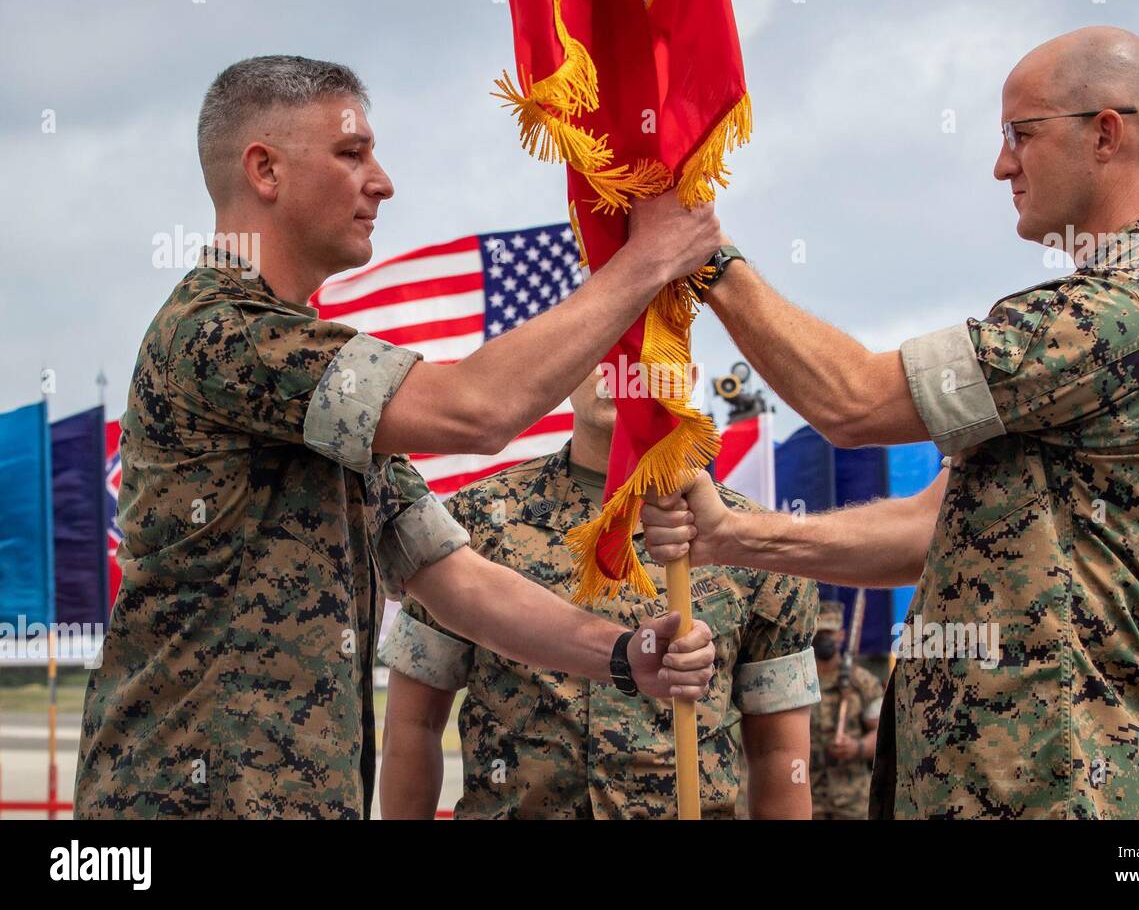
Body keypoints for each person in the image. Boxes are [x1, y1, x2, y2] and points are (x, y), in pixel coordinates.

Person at [76, 55, 724, 819]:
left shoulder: (305, 372)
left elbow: (451, 577)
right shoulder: (218, 334)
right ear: (265, 170)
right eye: (352, 154)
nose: (381, 181)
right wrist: (644, 262)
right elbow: (476, 411)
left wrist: (621, 654)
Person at [641, 27, 1139, 818]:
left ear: (1106, 133)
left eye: (1020, 134)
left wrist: (701, 255)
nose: (1002, 164)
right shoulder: (1102, 324)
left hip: (1052, 794)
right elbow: (931, 533)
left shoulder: (1123, 316)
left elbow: (852, 401)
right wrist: (733, 538)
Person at [378, 367, 820, 819]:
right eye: (603, 350)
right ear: (569, 369)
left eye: (643, 349)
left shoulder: (752, 546)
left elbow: (780, 755)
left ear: (685, 378)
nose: (622, 369)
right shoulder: (475, 524)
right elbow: (413, 725)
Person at [808, 601, 882, 820]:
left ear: (841, 635)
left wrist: (857, 747)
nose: (824, 639)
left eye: (829, 633)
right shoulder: (798, 682)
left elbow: (883, 733)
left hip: (852, 803)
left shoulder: (861, 682)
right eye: (819, 633)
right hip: (809, 801)